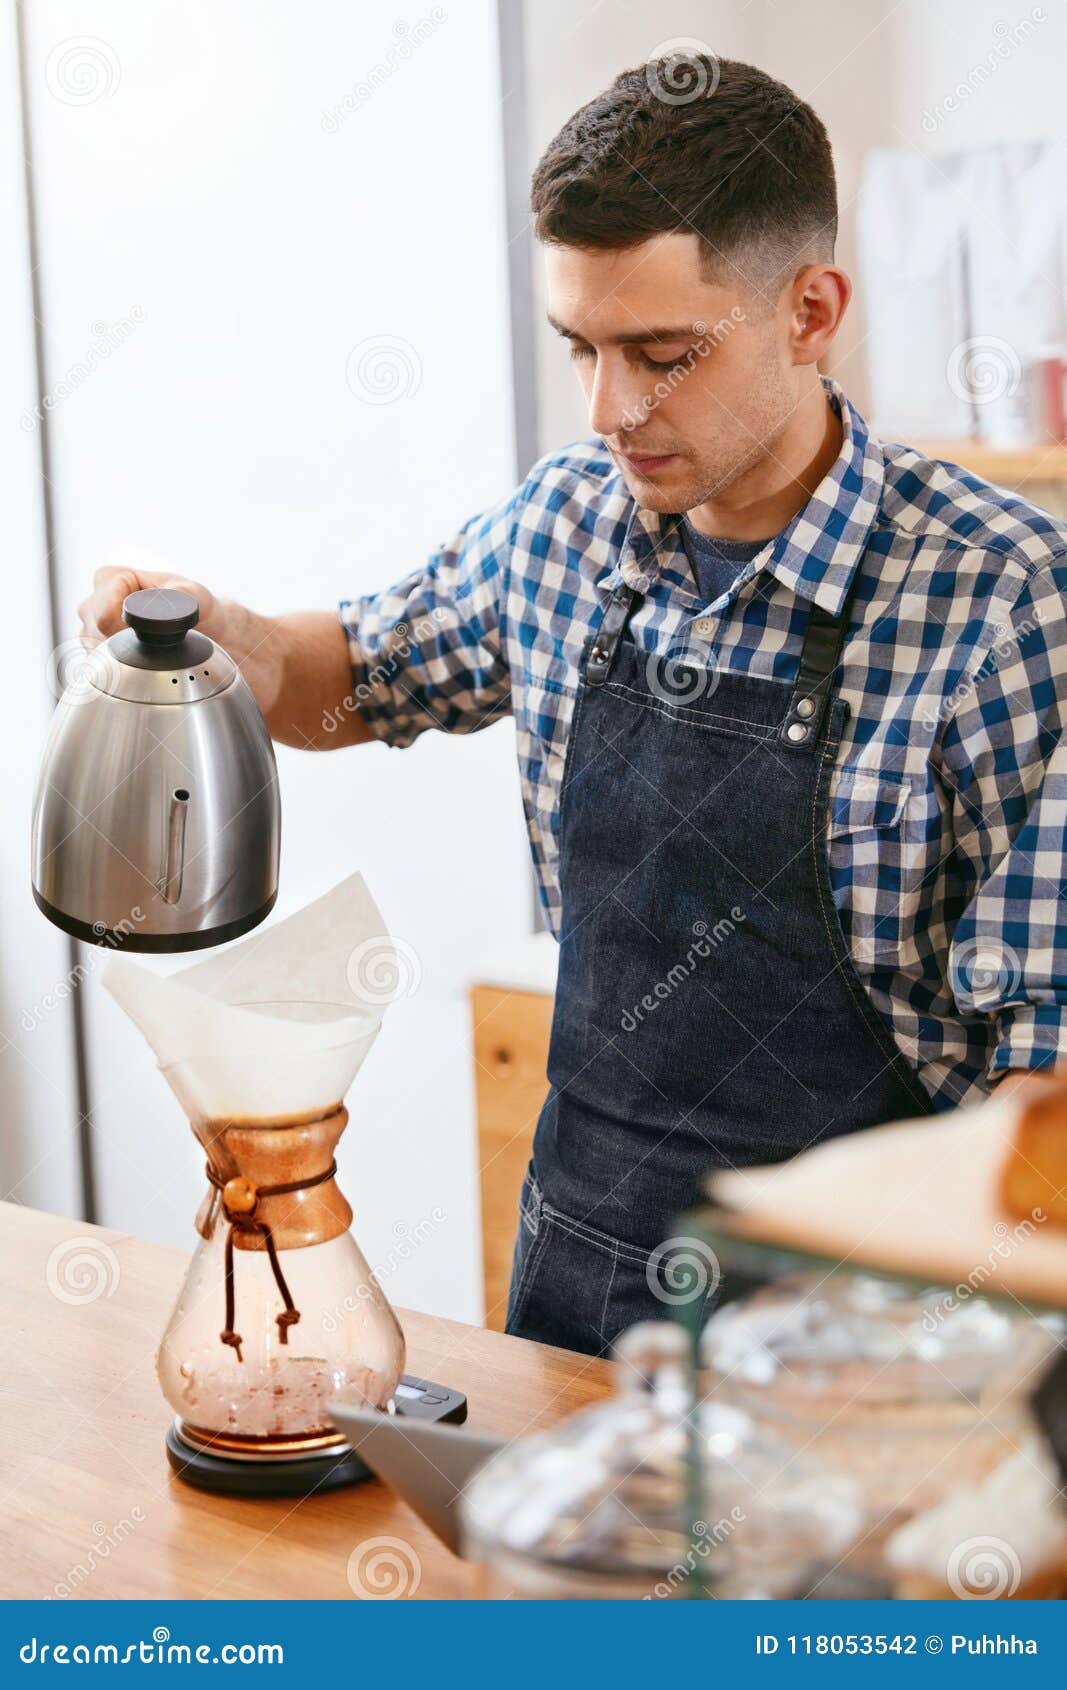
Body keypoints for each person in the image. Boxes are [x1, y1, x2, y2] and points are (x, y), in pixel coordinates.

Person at [80, 57, 1067, 1356]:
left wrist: (939, 1354)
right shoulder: (565, 526)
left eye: (661, 356)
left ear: (812, 310)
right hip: (577, 1290)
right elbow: (351, 680)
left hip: (860, 1351)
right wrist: (227, 640)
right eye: (581, 349)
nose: (607, 411)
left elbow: (1043, 1086)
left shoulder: (1000, 600)